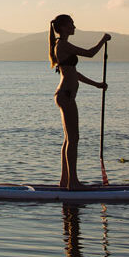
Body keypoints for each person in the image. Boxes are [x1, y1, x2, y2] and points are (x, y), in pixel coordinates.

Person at [48, 14, 110, 190]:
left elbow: (73, 74)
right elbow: (90, 53)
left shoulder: (61, 45)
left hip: (65, 95)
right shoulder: (63, 44)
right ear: (64, 27)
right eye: (72, 24)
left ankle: (65, 181)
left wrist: (97, 84)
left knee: (69, 139)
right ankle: (73, 183)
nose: (75, 27)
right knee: (73, 139)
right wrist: (103, 40)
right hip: (66, 96)